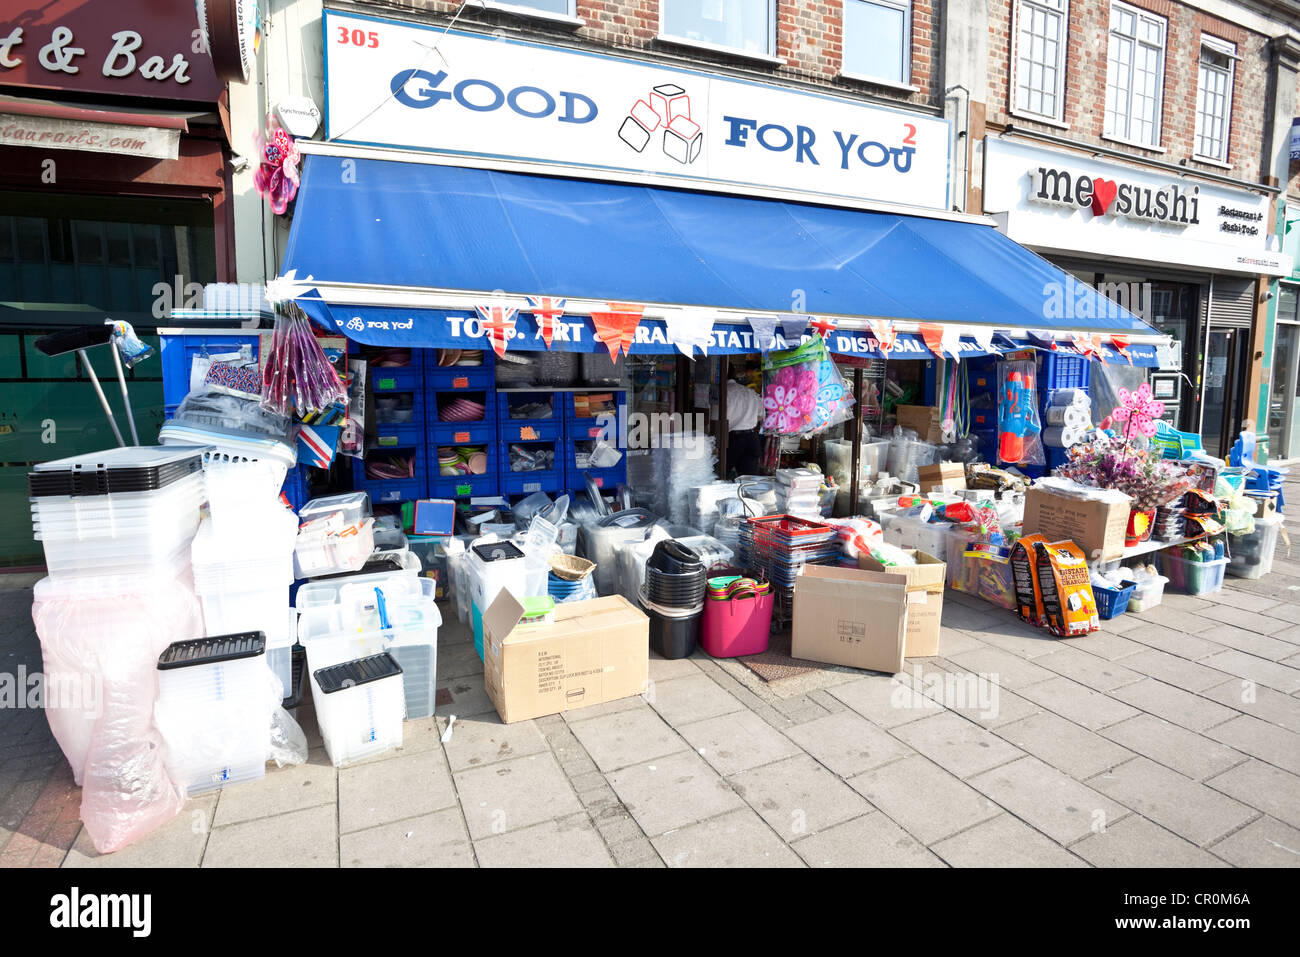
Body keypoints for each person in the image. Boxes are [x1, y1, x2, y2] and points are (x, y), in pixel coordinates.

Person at [726, 376, 763, 477]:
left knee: (719, 476)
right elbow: (761, 415)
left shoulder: (723, 392)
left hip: (731, 439)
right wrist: (748, 418)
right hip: (751, 438)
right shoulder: (750, 392)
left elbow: (715, 418)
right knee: (750, 480)